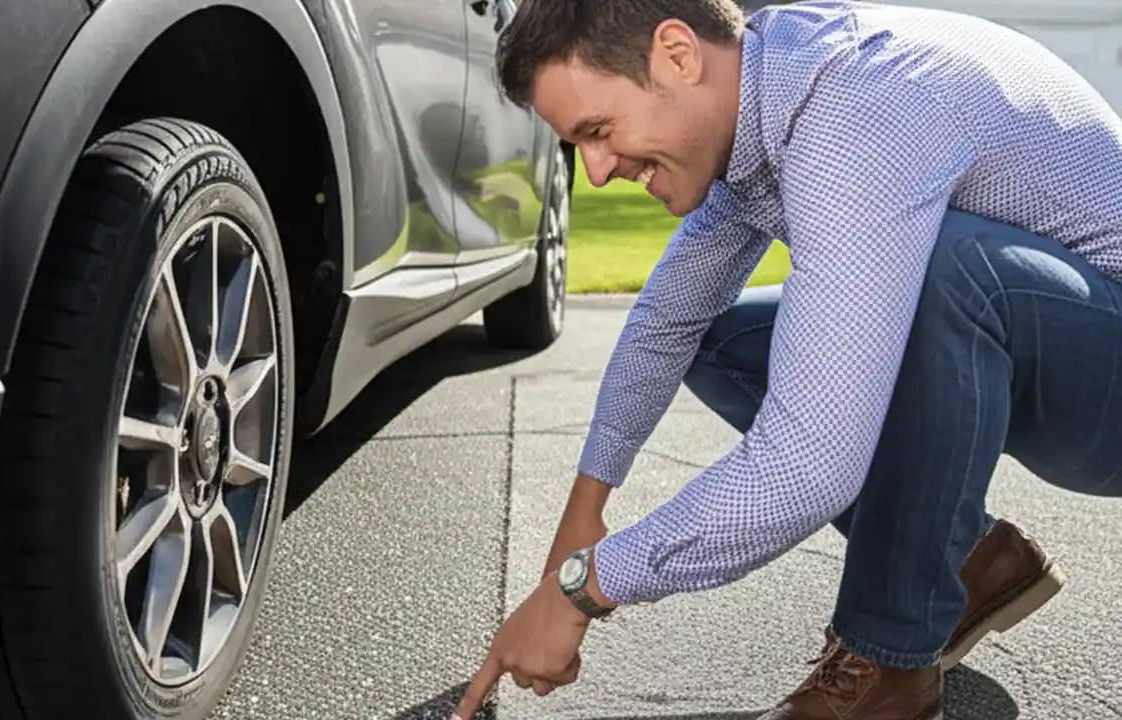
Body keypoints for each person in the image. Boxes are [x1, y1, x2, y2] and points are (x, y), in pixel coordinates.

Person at [452, 0, 1122, 718]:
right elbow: (665, 323)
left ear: (678, 55)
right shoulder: (760, 105)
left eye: (598, 131)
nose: (596, 170)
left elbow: (808, 463)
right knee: (720, 336)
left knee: (947, 273)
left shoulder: (856, 105)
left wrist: (581, 590)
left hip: (1104, 385)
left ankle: (891, 655)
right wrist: (582, 520)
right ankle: (965, 564)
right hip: (1043, 349)